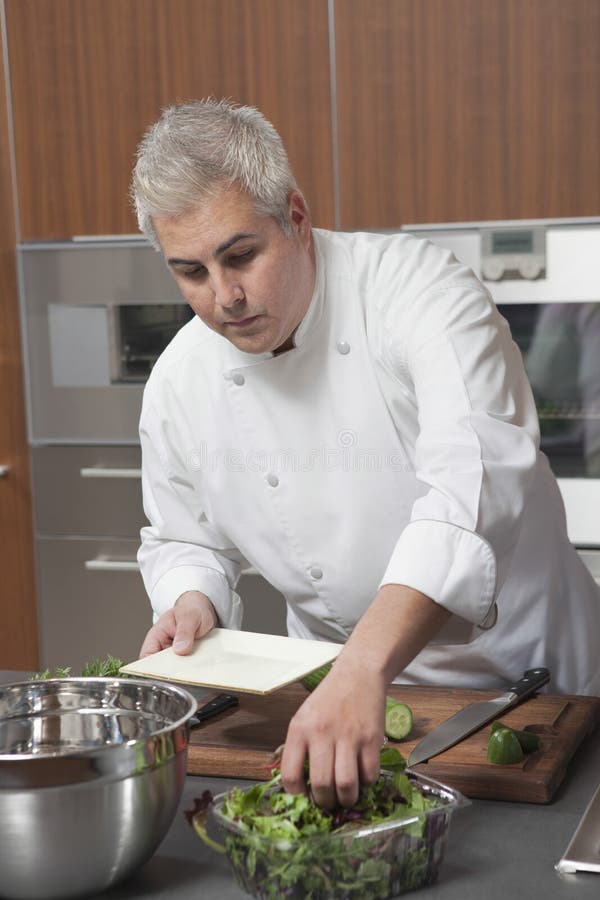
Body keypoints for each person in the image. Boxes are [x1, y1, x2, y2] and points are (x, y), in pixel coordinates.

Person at [131, 99, 600, 809]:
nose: (223, 297)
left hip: (528, 682)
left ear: (295, 215)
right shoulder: (178, 380)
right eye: (190, 272)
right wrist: (190, 599)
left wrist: (365, 666)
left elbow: (467, 497)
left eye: (241, 256)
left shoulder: (421, 293)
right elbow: (180, 536)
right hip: (334, 702)